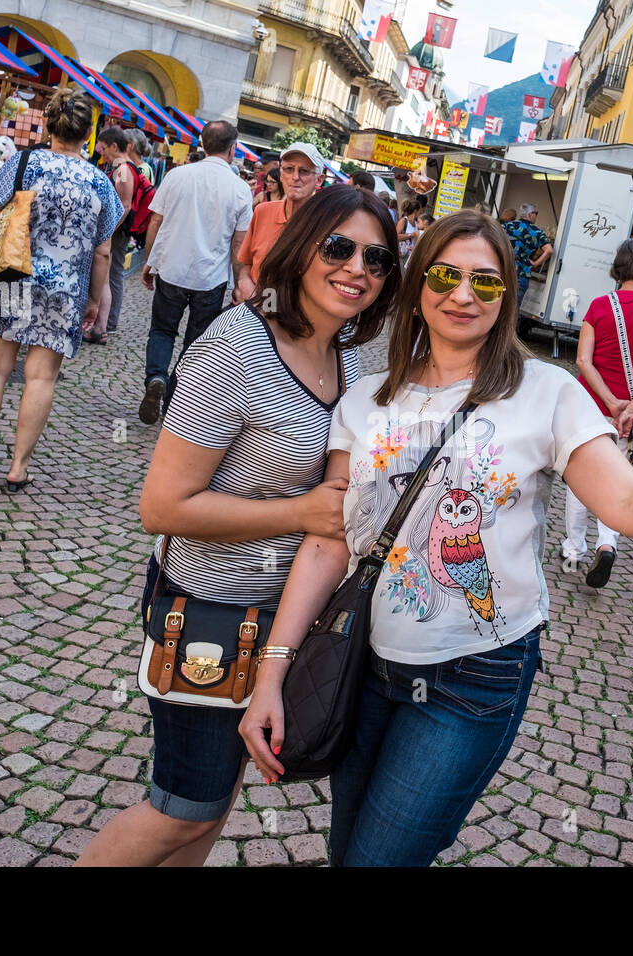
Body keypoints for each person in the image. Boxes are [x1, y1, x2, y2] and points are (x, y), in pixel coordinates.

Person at [238, 209, 633, 867]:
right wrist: (271, 672)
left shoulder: (547, 393)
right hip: (366, 663)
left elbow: (626, 501)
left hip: (475, 676)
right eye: (446, 276)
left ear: (508, 294)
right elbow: (329, 543)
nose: (464, 295)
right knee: (347, 848)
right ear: (416, 286)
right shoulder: (366, 401)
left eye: (485, 283)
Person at [77, 186, 400, 867]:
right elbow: (161, 507)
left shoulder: (346, 353)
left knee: (214, 803)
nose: (356, 269)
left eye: (376, 258)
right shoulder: (235, 345)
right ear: (300, 246)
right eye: (338, 247)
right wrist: (298, 512)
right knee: (182, 805)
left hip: (281, 617)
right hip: (208, 609)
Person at [0, 89, 119, 491]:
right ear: (89, 133)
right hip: (64, 289)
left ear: (49, 125)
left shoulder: (23, 162)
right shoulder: (100, 183)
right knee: (41, 379)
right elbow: (103, 253)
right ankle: (17, 468)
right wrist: (95, 301)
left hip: (11, 275)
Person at [564, 239, 633, 588]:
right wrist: (629, 407)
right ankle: (607, 542)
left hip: (590, 406)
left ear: (616, 268)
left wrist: (610, 401)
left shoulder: (599, 306)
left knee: (579, 478)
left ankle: (574, 548)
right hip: (629, 416)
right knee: (617, 480)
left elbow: (582, 360)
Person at [137, 120, 253, 425]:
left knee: (162, 330)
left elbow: (154, 223)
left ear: (202, 144)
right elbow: (239, 242)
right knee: (196, 342)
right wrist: (240, 279)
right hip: (211, 277)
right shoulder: (240, 189)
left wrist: (150, 261)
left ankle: (156, 378)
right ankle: (175, 397)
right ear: (232, 149)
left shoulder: (177, 176)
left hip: (173, 269)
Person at [234, 141, 324, 304]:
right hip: (254, 309)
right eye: (288, 169)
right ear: (281, 174)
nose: (295, 177)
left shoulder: (325, 225)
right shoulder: (263, 212)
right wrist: (246, 288)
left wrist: (268, 305)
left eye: (304, 171)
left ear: (319, 180)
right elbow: (246, 263)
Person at [88, 126, 135, 344]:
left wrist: (106, 230)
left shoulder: (123, 170)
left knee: (105, 279)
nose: (102, 153)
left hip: (115, 232)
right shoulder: (124, 168)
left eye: (105, 148)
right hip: (115, 231)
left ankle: (101, 328)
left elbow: (124, 206)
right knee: (107, 278)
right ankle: (101, 326)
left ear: (115, 146)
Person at [503, 202, 553, 305]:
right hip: (521, 275)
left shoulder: (508, 226)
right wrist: (535, 264)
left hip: (504, 272)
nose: (536, 216)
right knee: (512, 310)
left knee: (495, 308)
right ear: (530, 214)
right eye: (536, 213)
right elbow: (549, 250)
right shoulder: (537, 232)